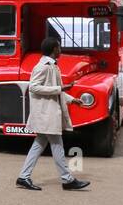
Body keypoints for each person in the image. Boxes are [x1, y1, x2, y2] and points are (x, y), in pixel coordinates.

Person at [16, 37, 90, 191]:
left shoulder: (52, 66)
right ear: (54, 49)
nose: (61, 50)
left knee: (39, 145)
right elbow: (34, 87)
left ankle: (23, 177)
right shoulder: (43, 67)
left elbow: (58, 90)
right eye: (59, 47)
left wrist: (71, 100)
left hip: (48, 113)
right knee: (57, 145)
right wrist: (60, 89)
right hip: (47, 114)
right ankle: (67, 179)